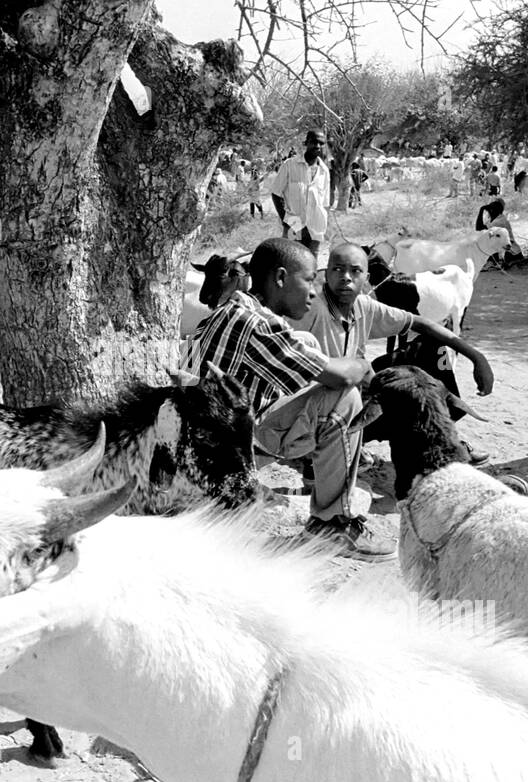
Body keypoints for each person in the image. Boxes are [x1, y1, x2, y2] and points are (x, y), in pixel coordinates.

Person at [183, 238, 394, 559]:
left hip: (202, 442)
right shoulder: (259, 326)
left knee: (307, 343)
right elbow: (339, 377)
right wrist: (364, 366)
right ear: (280, 279)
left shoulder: (232, 309)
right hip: (215, 461)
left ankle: (313, 462)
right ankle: (332, 523)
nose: (314, 290)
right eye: (309, 280)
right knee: (344, 396)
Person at [291, 242, 495, 463]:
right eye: (338, 269)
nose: (346, 277)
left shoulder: (363, 305)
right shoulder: (310, 309)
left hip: (358, 390)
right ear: (326, 272)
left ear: (367, 277)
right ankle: (330, 447)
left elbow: (421, 324)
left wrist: (477, 357)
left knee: (429, 348)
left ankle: (445, 431)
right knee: (391, 396)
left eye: (356, 271)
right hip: (328, 404)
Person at [271, 131, 331, 253]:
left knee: (311, 267)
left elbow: (324, 204)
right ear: (306, 143)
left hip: (315, 230)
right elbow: (276, 193)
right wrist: (288, 222)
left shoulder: (324, 171)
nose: (318, 146)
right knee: (291, 264)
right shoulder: (290, 165)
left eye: (321, 143)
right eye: (314, 142)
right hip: (294, 229)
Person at [474, 198, 524, 267]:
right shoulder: (496, 219)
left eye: (489, 210)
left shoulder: (498, 222)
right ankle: (494, 261)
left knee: (488, 239)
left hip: (511, 252)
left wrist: (481, 210)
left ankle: (492, 261)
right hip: (511, 251)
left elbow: (479, 228)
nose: (488, 212)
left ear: (493, 211)